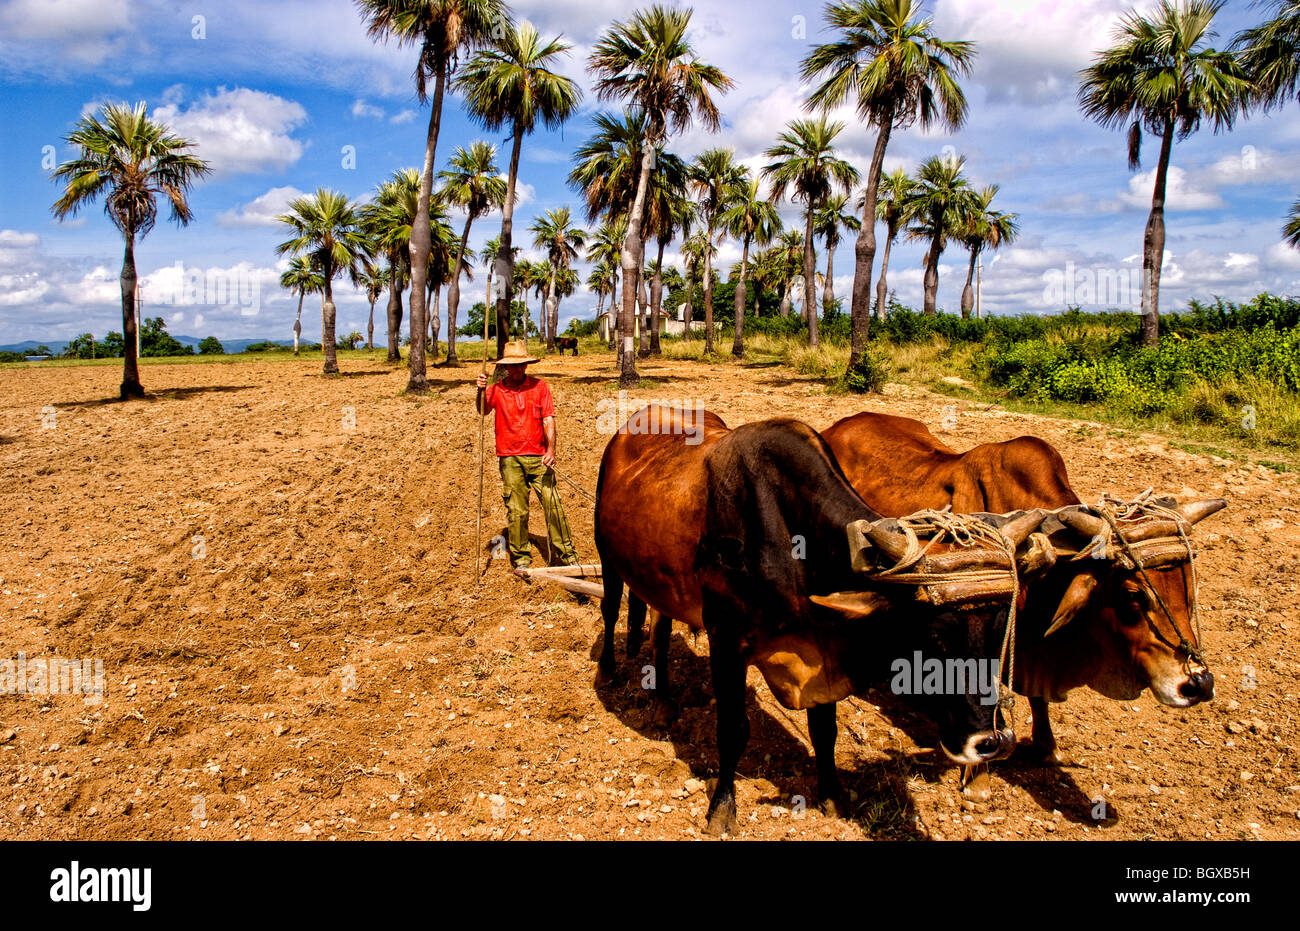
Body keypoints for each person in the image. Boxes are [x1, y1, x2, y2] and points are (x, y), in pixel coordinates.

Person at [475, 340, 579, 569]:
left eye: (521, 364)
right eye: (513, 365)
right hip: (510, 458)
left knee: (554, 505)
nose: (518, 369)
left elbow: (548, 419)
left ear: (526, 365)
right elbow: (483, 409)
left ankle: (568, 555)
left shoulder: (540, 387)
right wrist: (480, 390)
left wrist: (551, 450)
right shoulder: (496, 390)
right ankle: (521, 558)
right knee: (517, 510)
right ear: (506, 367)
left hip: (539, 456)